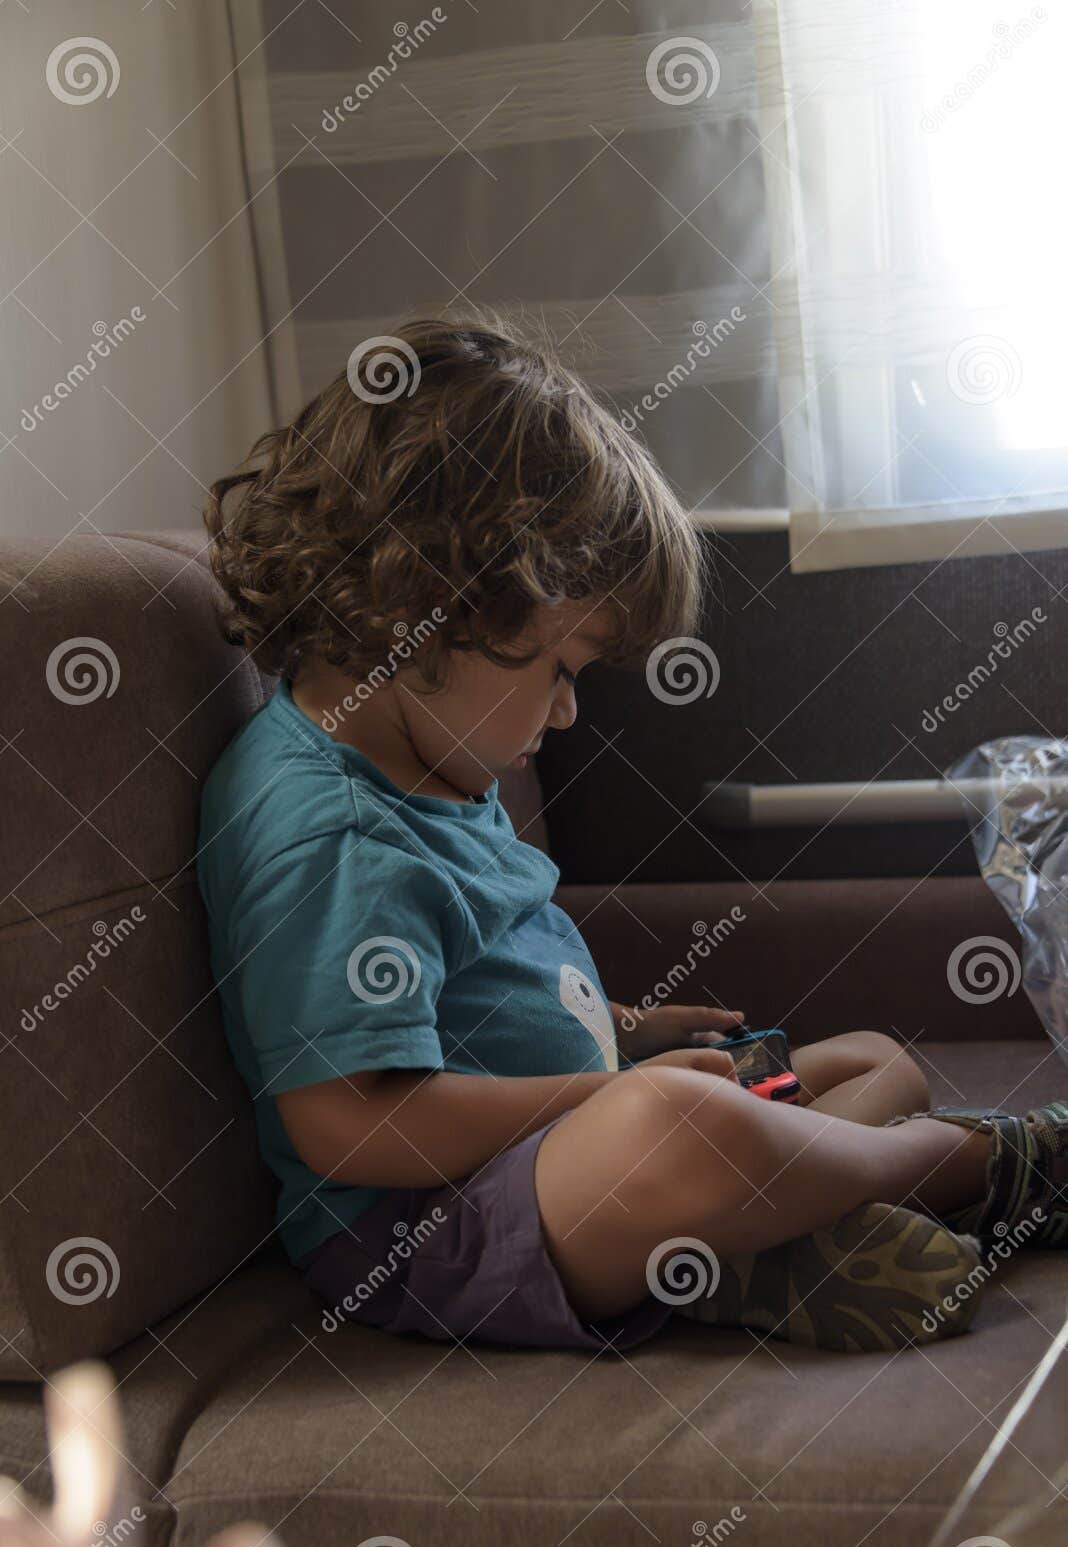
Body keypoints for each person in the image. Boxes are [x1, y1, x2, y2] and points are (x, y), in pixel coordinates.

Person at [196, 313, 1067, 1357]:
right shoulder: (325, 826)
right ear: (427, 605)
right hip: (440, 1223)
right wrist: (613, 1086)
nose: (565, 715)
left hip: (586, 1136)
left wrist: (628, 1026)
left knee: (874, 1059)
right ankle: (959, 1166)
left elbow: (473, 987)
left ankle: (774, 1228)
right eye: (559, 670)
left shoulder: (431, 754)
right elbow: (346, 1122)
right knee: (675, 1127)